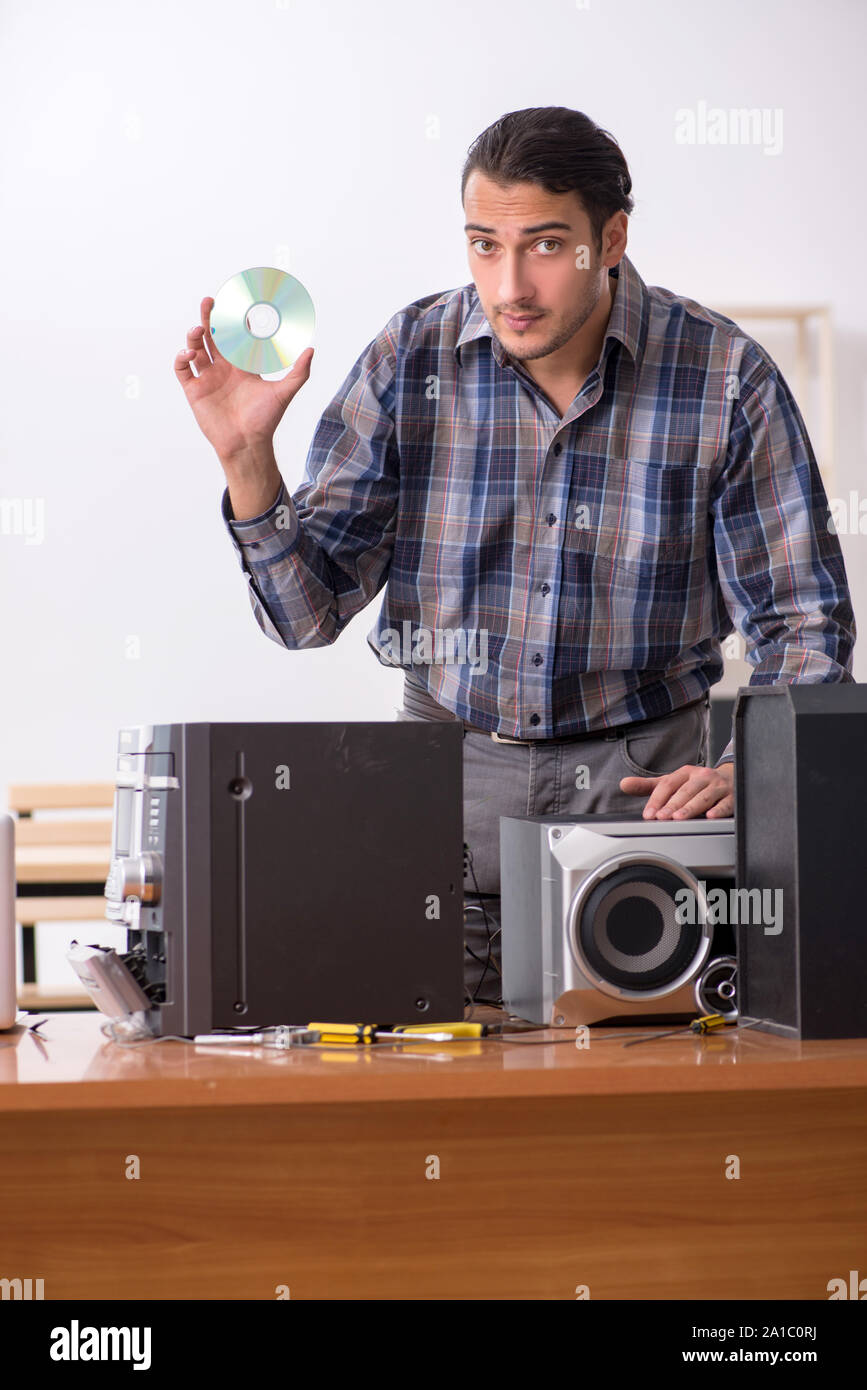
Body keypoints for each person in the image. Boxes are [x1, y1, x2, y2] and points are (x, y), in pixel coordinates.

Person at [174, 106, 856, 1006]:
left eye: (542, 245)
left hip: (639, 806)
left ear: (608, 238)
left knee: (628, 1102)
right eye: (482, 245)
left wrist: (747, 770)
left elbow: (802, 625)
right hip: (436, 795)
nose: (510, 285)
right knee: (429, 1096)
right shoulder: (409, 356)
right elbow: (305, 616)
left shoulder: (724, 378)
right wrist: (246, 462)